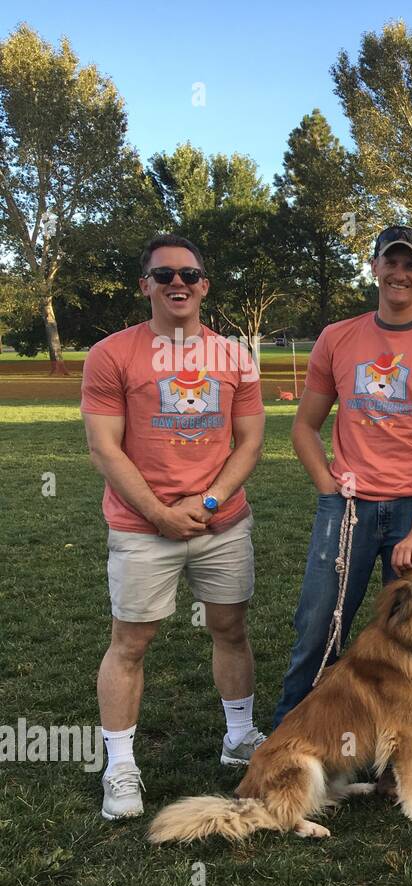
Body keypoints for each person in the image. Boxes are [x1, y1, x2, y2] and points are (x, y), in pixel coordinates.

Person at [81, 234, 265, 819]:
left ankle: (239, 737)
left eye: (189, 273)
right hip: (142, 525)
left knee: (230, 628)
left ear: (205, 284)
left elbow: (252, 440)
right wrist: (159, 513)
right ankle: (121, 767)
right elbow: (105, 449)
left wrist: (207, 503)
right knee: (130, 643)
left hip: (220, 521)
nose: (177, 283)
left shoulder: (234, 356)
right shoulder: (111, 355)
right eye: (164, 276)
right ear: (146, 286)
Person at [271, 226, 412, 728]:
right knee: (319, 626)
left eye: (411, 264)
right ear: (375, 267)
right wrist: (326, 486)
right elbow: (304, 426)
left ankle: (395, 749)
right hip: (349, 509)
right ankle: (288, 736)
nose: (400, 273)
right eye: (391, 261)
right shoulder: (338, 337)